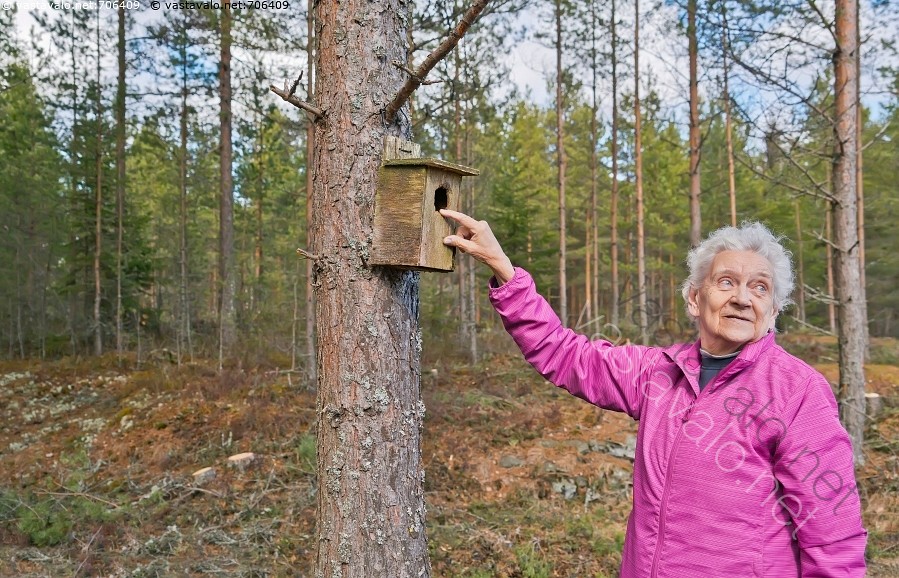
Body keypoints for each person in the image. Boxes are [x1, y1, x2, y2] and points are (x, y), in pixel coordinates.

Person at [439, 208, 866, 577]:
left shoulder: (798, 392)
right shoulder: (659, 373)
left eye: (759, 287)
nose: (741, 298)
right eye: (726, 282)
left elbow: (833, 535)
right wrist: (505, 271)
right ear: (695, 299)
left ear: (772, 311)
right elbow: (565, 353)